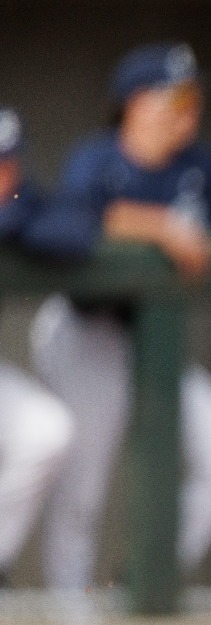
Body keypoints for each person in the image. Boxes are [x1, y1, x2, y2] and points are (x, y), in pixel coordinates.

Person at [31, 42, 211, 597]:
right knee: (82, 489)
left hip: (151, 340)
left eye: (196, 98)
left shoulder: (199, 165)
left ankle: (136, 581)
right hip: (86, 332)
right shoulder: (99, 156)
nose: (191, 109)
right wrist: (156, 225)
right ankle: (71, 617)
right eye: (177, 96)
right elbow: (71, 217)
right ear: (136, 102)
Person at [0, 107, 82, 587]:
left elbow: (75, 232)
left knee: (45, 430)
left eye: (7, 165)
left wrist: (11, 221)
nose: (2, 177)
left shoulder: (19, 203)